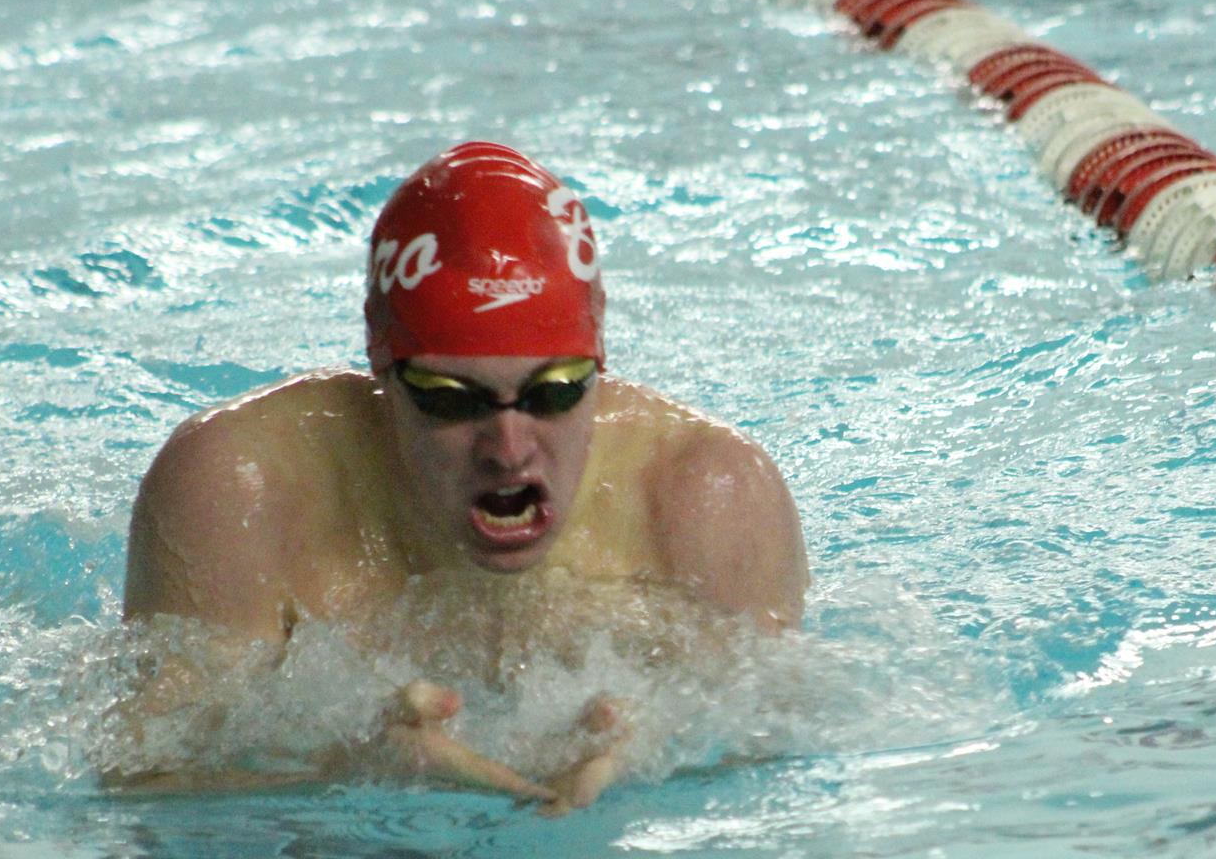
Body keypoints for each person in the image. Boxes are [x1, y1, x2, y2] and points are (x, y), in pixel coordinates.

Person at [113, 142, 807, 810]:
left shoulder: (709, 497)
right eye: (451, 399)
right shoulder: (241, 488)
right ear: (383, 370)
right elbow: (136, 780)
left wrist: (658, 752)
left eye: (554, 392)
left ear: (600, 364)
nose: (508, 449)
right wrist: (348, 772)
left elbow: (792, 748)